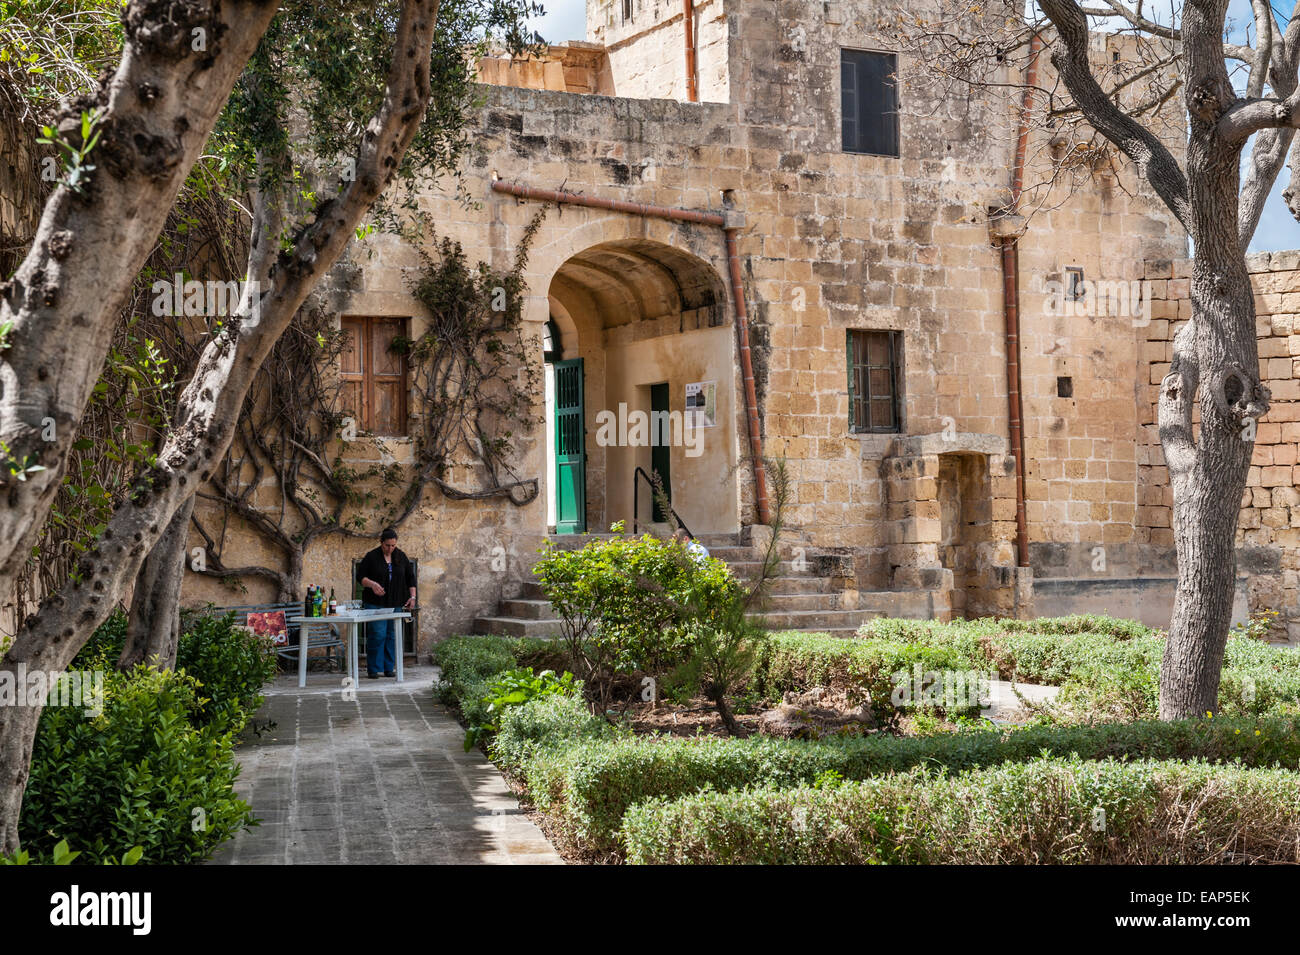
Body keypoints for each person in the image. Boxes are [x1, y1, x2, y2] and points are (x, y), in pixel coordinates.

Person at [356, 527, 416, 678]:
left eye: (393, 545)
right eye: (387, 545)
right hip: (375, 602)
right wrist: (373, 584)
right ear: (381, 542)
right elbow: (360, 576)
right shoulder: (371, 556)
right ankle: (374, 669)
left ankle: (389, 668)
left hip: (395, 603)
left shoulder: (400, 556)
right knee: (378, 634)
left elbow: (410, 578)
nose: (390, 548)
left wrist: (412, 597)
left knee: (392, 635)